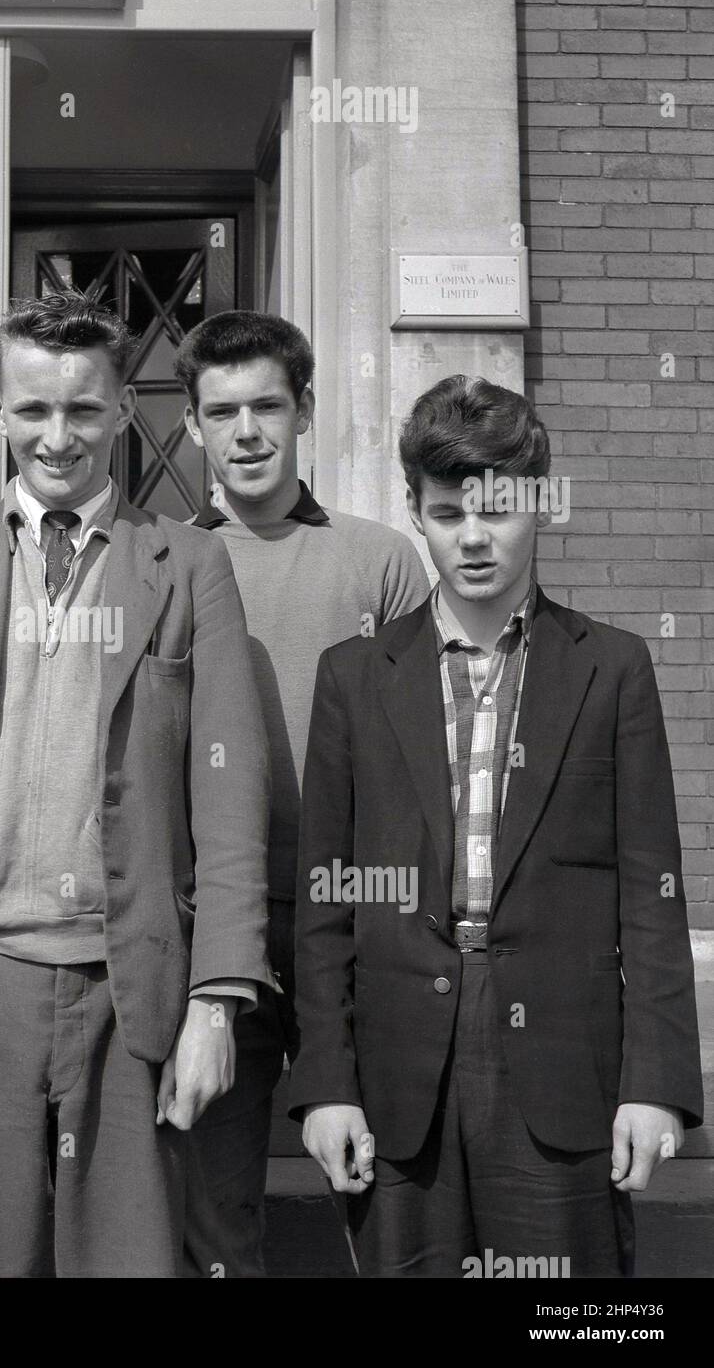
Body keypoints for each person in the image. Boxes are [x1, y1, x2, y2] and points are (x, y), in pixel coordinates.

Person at [0, 290, 273, 1277]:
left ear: (122, 413)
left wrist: (215, 1005)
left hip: (133, 993)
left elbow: (230, 806)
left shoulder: (189, 565)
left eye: (81, 409)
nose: (57, 436)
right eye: (32, 409)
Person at [290, 374, 703, 1277]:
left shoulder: (613, 670)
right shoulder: (355, 677)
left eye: (497, 512)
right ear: (417, 513)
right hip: (402, 1074)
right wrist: (325, 1083)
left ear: (539, 506)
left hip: (562, 1061)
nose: (472, 538)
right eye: (446, 515)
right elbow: (325, 901)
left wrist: (657, 1086)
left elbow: (652, 897)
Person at [176, 310, 429, 1277]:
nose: (247, 432)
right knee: (214, 1205)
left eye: (267, 407)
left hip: (356, 919)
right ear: (195, 425)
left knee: (380, 1181)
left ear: (305, 411)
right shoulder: (164, 561)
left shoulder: (381, 560)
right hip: (217, 922)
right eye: (223, 411)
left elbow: (420, 758)